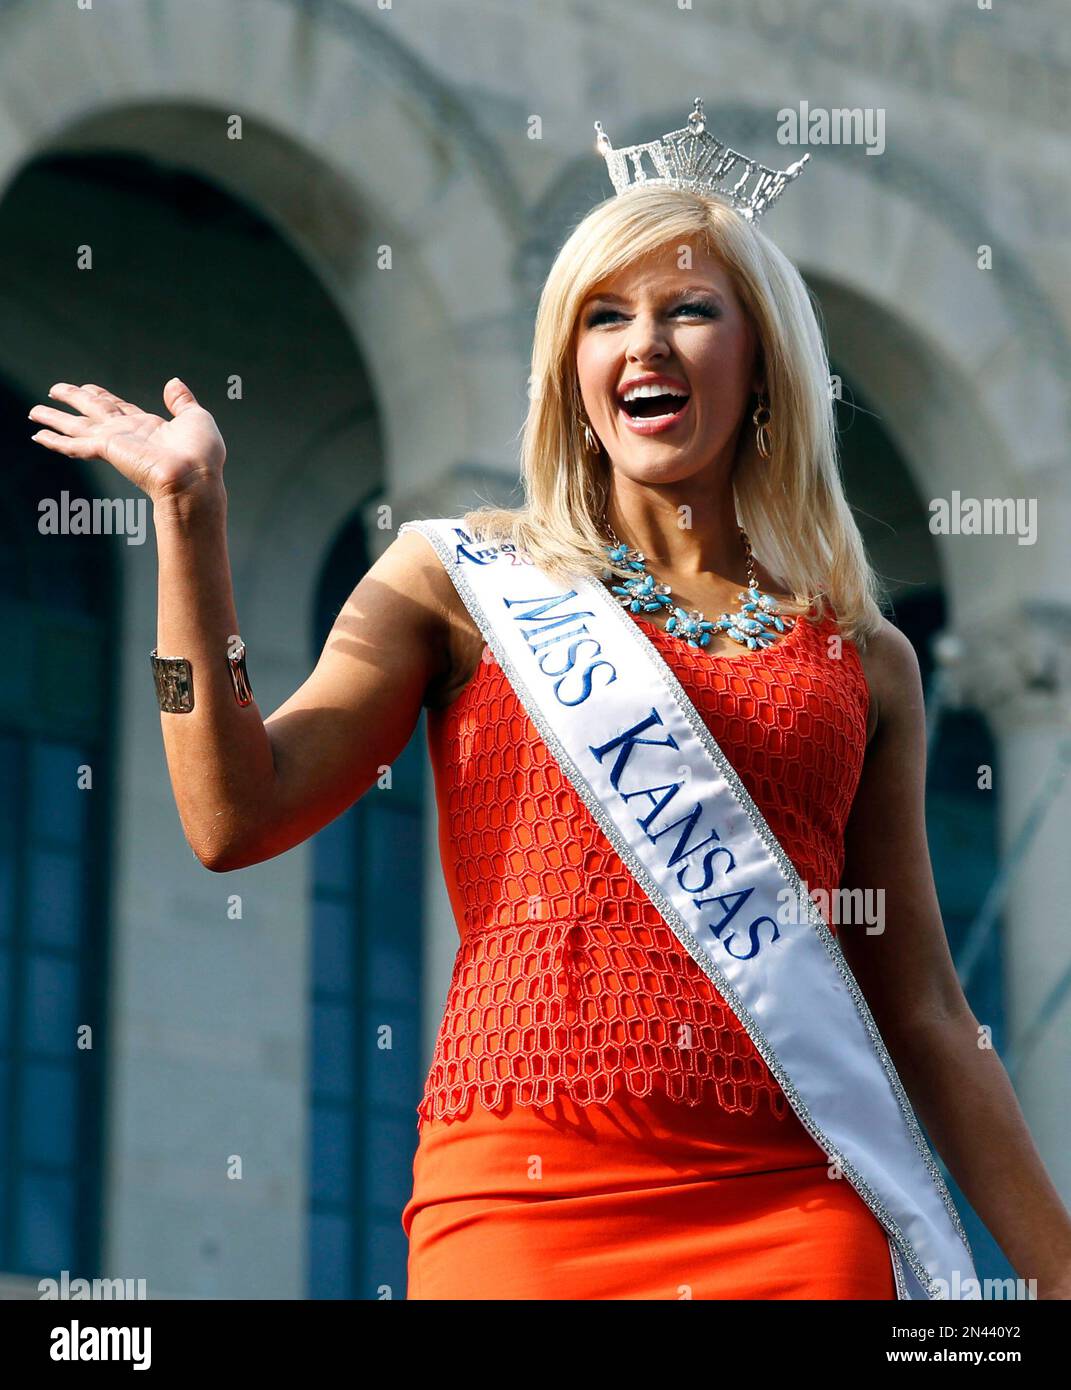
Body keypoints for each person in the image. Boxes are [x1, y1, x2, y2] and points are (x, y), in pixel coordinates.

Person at [27, 138, 1071, 1303]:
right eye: (604, 316)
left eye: (688, 309)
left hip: (789, 1211)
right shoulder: (459, 581)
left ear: (764, 359)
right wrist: (190, 524)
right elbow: (233, 811)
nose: (645, 344)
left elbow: (923, 1007)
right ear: (569, 363)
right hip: (520, 1199)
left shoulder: (863, 661)